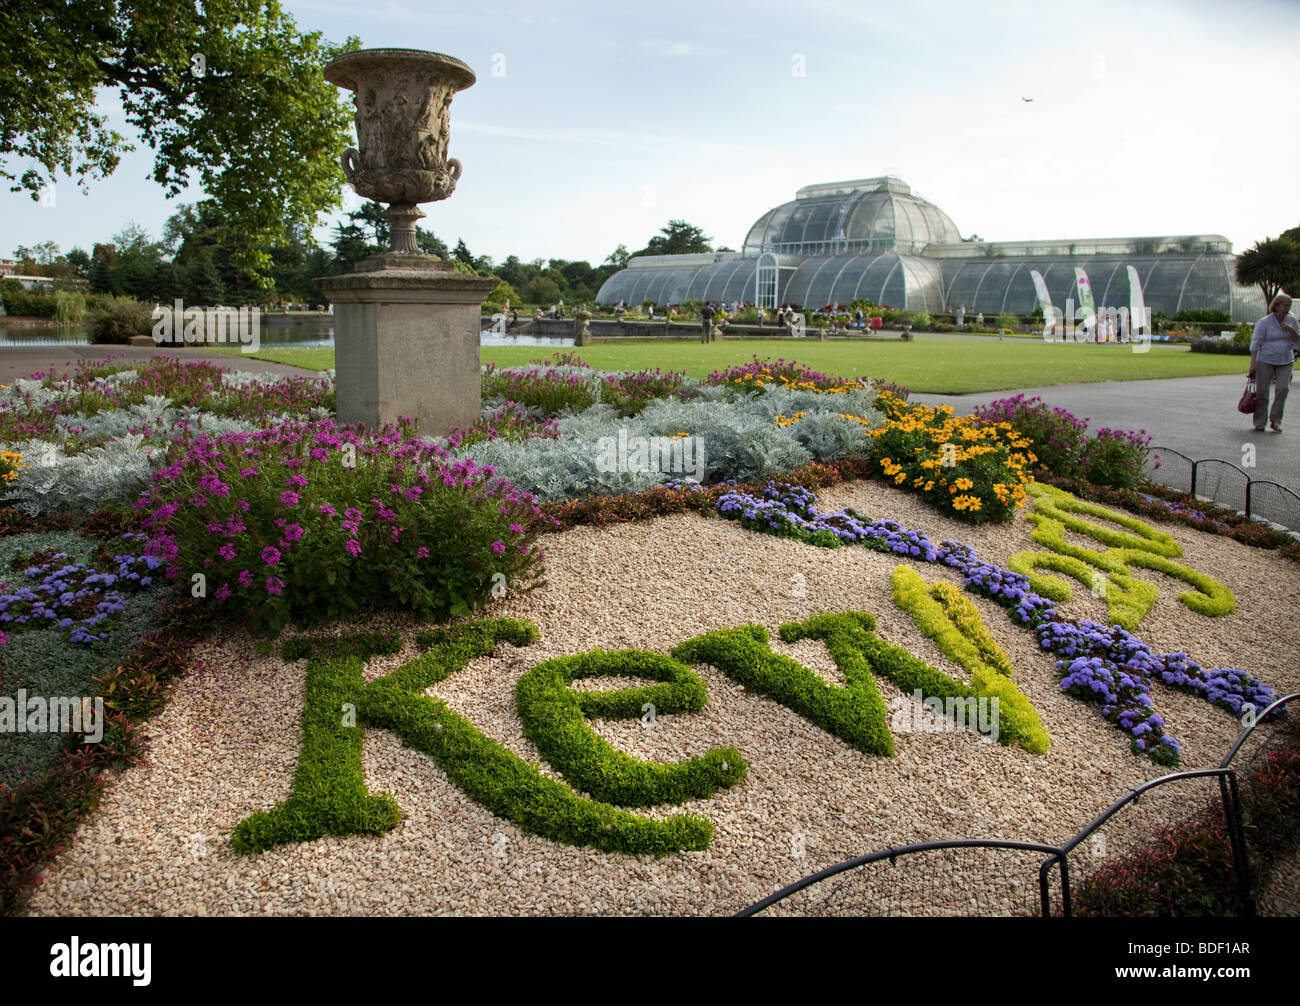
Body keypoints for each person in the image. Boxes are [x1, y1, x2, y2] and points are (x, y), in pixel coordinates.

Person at [1249, 293, 1300, 433]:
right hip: (1265, 359)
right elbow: (1255, 344)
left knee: (1282, 389)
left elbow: (1298, 342)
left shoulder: (1292, 321)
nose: (1287, 308)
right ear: (1277, 306)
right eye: (1285, 305)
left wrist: (1290, 330)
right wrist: (1253, 364)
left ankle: (1275, 420)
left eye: (1289, 306)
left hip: (1285, 360)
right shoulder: (1264, 322)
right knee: (1262, 392)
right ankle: (1259, 422)